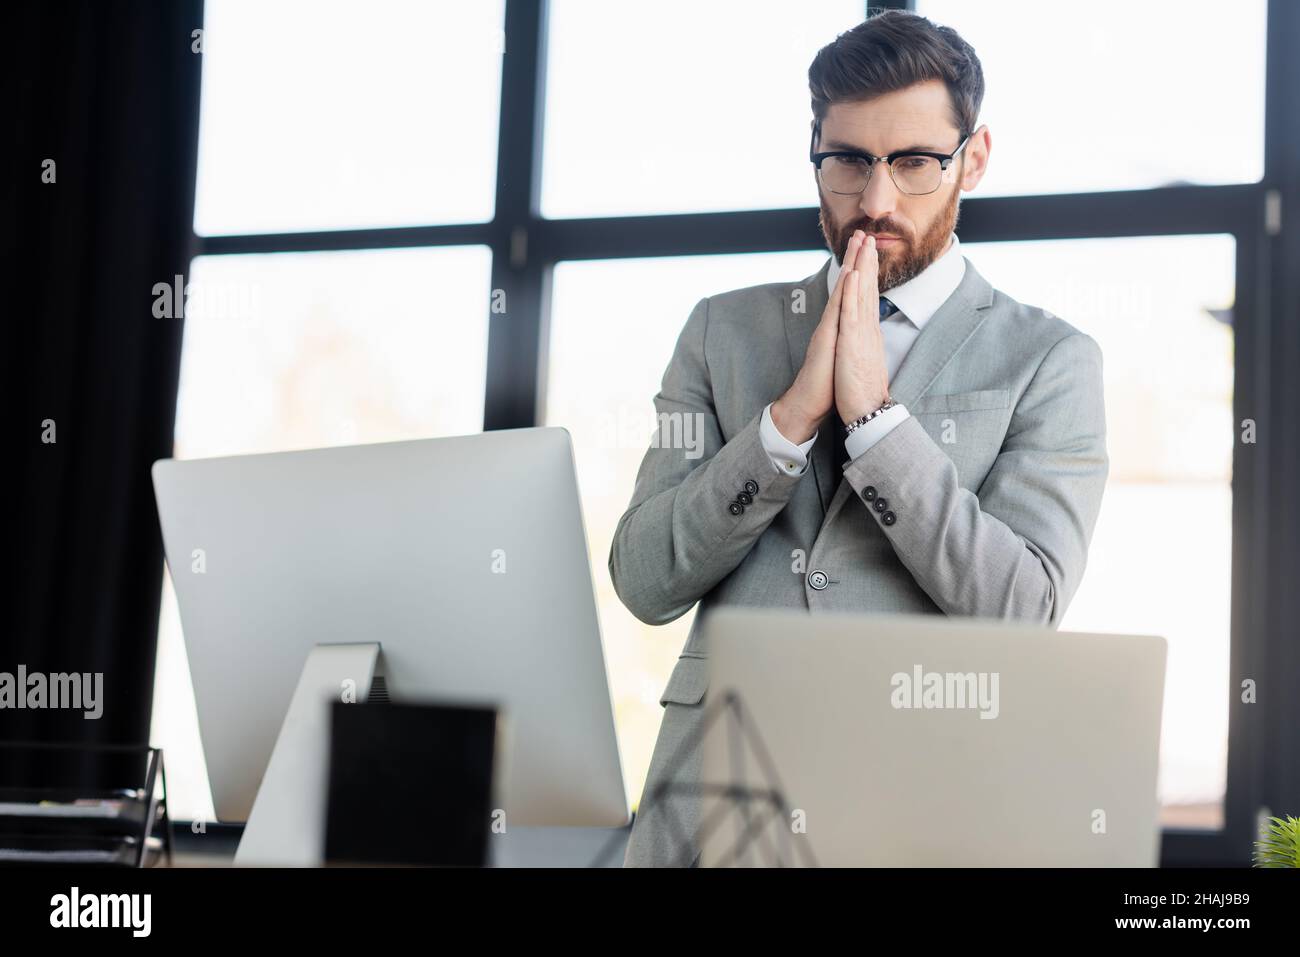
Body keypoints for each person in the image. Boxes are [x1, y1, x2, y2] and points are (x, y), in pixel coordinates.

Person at [611, 9, 1108, 867]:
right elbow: (645, 580)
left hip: (919, 810)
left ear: (973, 160)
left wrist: (876, 421)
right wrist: (784, 425)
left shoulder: (1050, 360)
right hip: (704, 817)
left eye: (915, 162)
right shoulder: (717, 331)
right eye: (847, 161)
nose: (875, 202)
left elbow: (1024, 609)